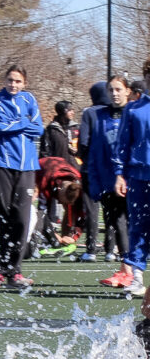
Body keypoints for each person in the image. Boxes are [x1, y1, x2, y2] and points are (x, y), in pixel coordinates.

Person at [0, 65, 43, 290]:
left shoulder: (29, 100)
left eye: (18, 81)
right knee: (5, 218)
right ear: (4, 80)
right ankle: (5, 269)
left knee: (22, 219)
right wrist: (24, 122)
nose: (13, 84)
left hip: (27, 167)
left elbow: (38, 129)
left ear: (24, 83)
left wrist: (18, 124)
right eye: (10, 80)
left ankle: (11, 270)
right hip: (1, 165)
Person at [105, 59, 150, 297]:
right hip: (139, 176)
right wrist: (119, 174)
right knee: (138, 227)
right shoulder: (133, 109)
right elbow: (122, 145)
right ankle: (137, 276)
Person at [88, 76, 130, 267]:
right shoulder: (101, 117)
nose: (114, 93)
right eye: (111, 90)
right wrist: (96, 183)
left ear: (127, 91)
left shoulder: (135, 113)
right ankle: (128, 270)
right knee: (119, 224)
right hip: (110, 183)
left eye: (118, 89)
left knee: (135, 226)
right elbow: (95, 152)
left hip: (135, 179)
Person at [78, 81, 111, 261]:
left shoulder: (89, 113)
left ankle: (91, 249)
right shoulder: (115, 112)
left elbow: (83, 141)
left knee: (91, 209)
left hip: (91, 168)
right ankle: (110, 249)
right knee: (111, 210)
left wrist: (85, 159)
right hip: (111, 169)